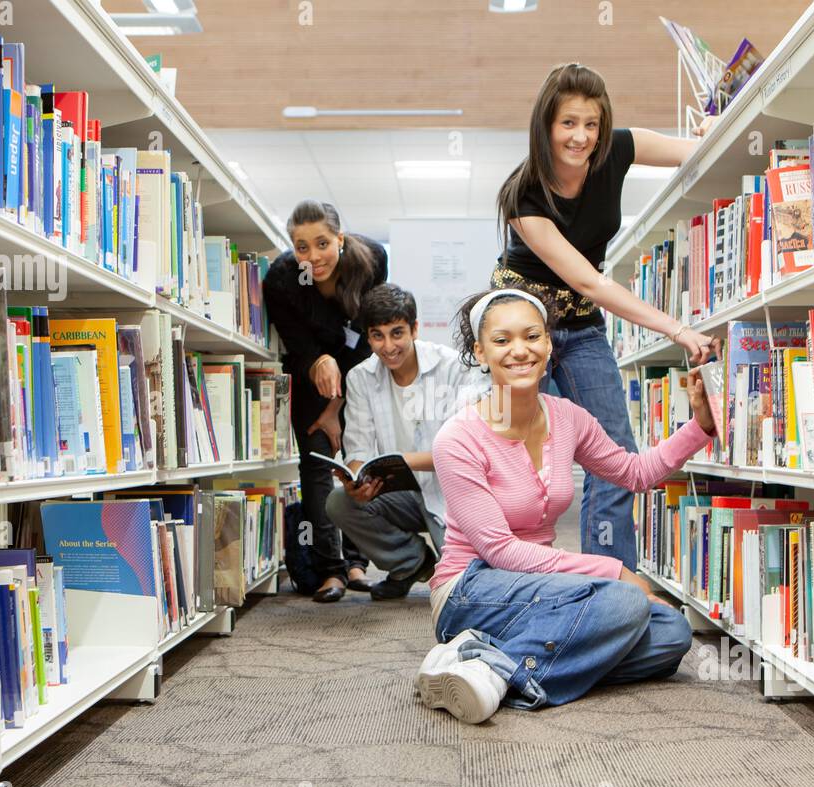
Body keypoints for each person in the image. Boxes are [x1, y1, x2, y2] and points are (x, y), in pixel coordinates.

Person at [415, 289, 717, 724]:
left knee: (672, 635)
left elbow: (634, 473)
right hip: (472, 589)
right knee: (622, 606)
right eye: (502, 341)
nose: (520, 350)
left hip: (544, 590)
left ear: (550, 344)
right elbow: (500, 551)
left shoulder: (568, 417)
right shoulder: (458, 438)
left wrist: (701, 426)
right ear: (480, 353)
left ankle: (485, 665)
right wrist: (615, 571)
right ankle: (502, 662)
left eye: (532, 336)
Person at [493, 62, 721, 573]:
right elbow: (590, 281)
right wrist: (676, 328)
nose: (581, 137)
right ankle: (516, 582)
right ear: (545, 125)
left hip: (582, 326)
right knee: (520, 458)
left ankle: (612, 585)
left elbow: (699, 151)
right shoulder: (523, 194)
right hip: (524, 330)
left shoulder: (619, 147)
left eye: (591, 124)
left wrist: (711, 129)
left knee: (616, 455)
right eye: (568, 123)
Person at [327, 283, 488, 601]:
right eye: (377, 335)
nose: (388, 347)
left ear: (415, 329)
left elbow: (464, 449)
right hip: (397, 493)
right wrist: (357, 478)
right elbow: (357, 445)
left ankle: (447, 563)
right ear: (368, 336)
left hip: (451, 494)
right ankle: (411, 562)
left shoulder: (454, 368)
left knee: (469, 588)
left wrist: (404, 459)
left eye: (397, 333)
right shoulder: (360, 377)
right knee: (339, 502)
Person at [263, 200, 387, 603]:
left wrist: (339, 406)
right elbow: (297, 345)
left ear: (340, 238)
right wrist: (320, 362)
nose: (313, 257)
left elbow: (368, 337)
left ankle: (356, 563)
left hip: (358, 372)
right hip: (311, 374)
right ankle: (329, 570)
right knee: (317, 467)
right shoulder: (281, 280)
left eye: (321, 243)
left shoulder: (371, 262)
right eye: (301, 247)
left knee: (358, 463)